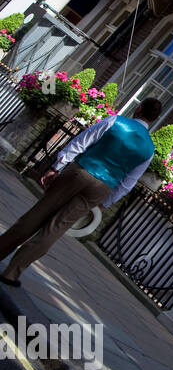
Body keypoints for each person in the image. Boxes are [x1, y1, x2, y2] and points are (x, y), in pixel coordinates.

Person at [0, 97, 163, 288]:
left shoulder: (115, 121)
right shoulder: (149, 150)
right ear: (154, 118)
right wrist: (106, 203)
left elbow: (82, 141)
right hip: (104, 186)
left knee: (39, 213)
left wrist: (57, 165)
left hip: (82, 170)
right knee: (57, 227)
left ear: (139, 108)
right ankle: (12, 273)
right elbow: (128, 182)